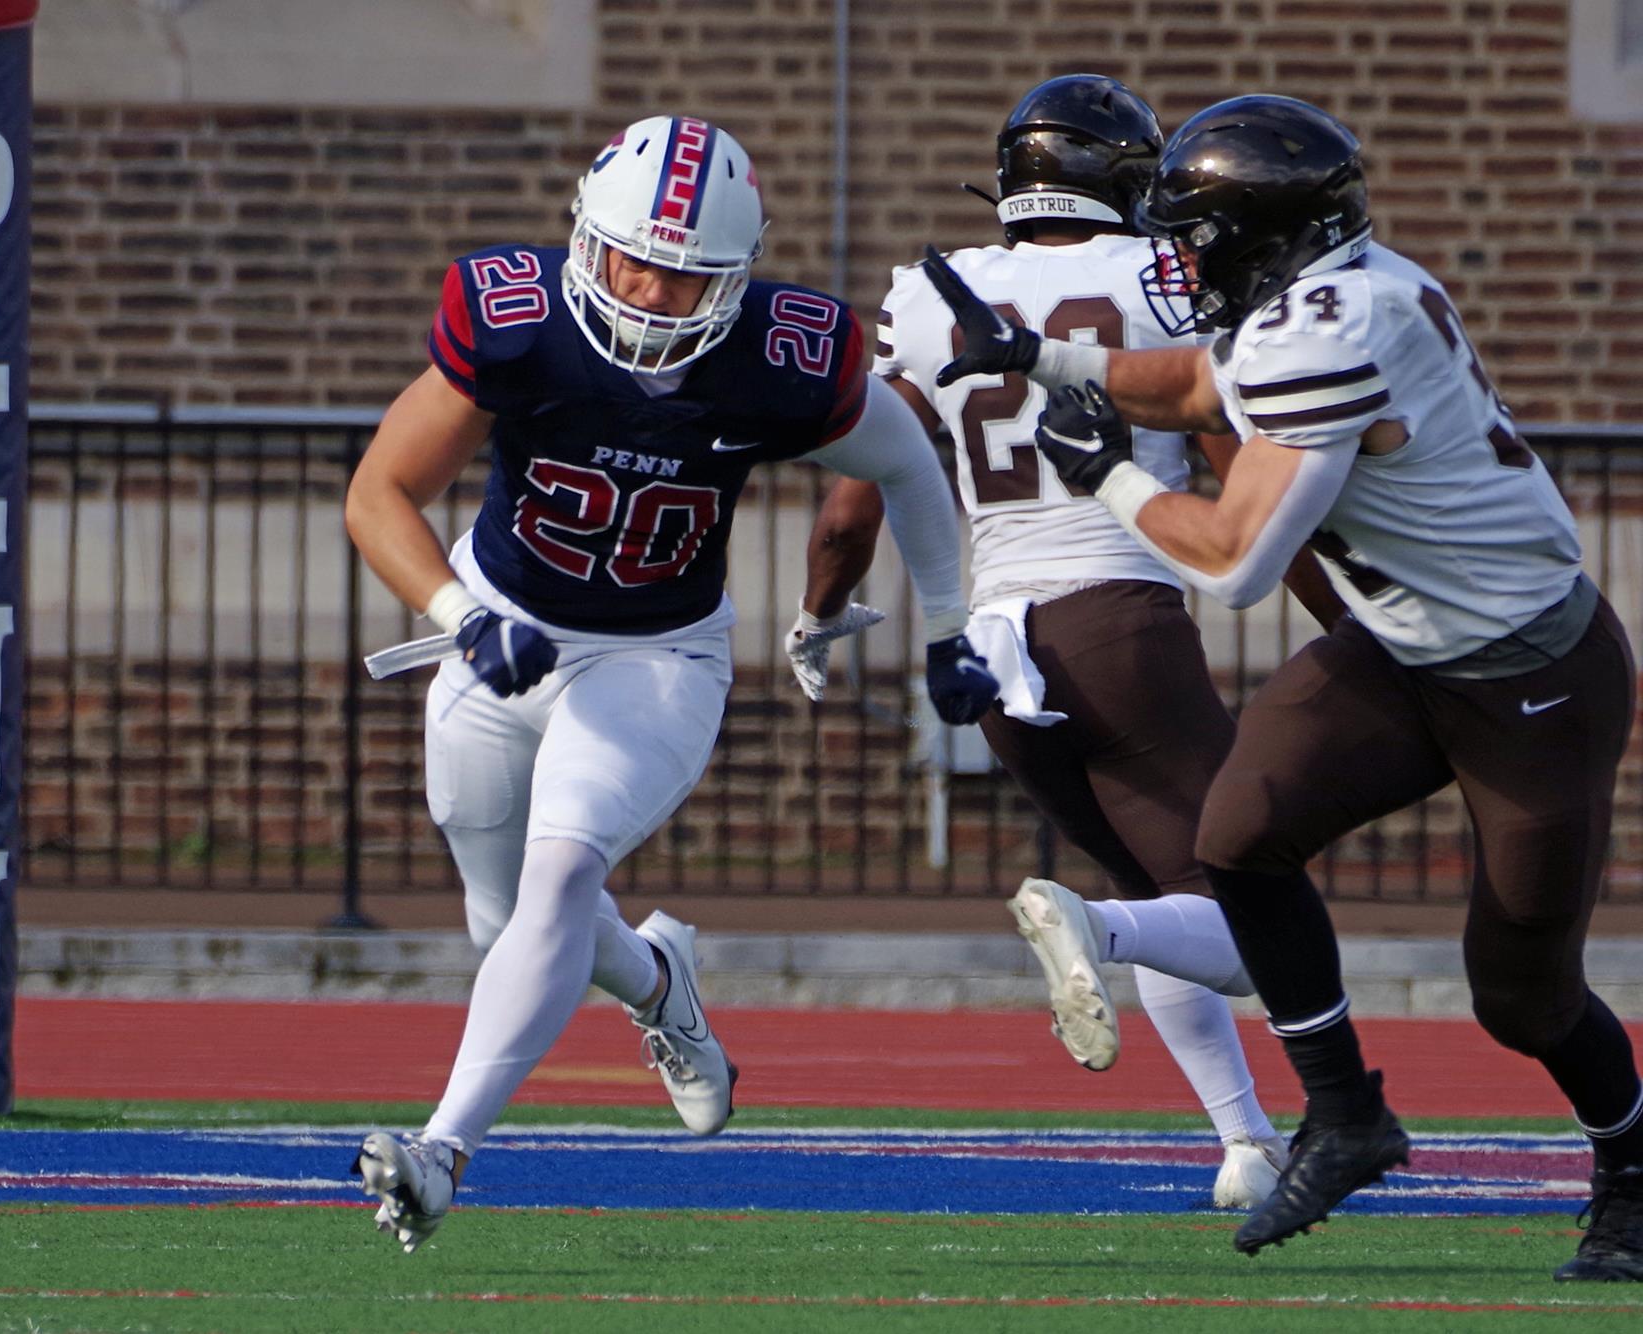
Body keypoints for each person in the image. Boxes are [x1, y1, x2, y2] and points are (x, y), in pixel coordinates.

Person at [930, 93, 1643, 1278]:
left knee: (1519, 994)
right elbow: (1204, 384)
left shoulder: (1333, 327)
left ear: (1258, 238)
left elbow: (1237, 559)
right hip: (1405, 644)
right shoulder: (1331, 289)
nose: (1177, 255)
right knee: (1239, 830)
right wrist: (1042, 355)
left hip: (1530, 675)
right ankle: (1344, 1111)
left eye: (1196, 234)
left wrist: (1105, 477)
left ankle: (1629, 1167)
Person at [342, 114, 997, 1252]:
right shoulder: (518, 320)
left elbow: (901, 461)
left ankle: (441, 1151)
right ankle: (657, 978)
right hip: (504, 631)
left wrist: (949, 626)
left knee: (554, 884)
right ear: (581, 236)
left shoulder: (779, 352)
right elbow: (377, 493)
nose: (647, 290)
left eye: (684, 272)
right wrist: (458, 614)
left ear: (736, 277)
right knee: (500, 922)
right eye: (630, 256)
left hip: (656, 653)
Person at [792, 74, 1339, 1209]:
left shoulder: (930, 293)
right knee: (1242, 911)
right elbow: (1249, 488)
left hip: (991, 653)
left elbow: (851, 503)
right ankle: (1089, 930)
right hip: (1117, 615)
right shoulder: (1160, 278)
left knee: (1161, 894)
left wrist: (816, 613)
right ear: (1126, 182)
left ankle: (1242, 1139)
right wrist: (1354, 619)